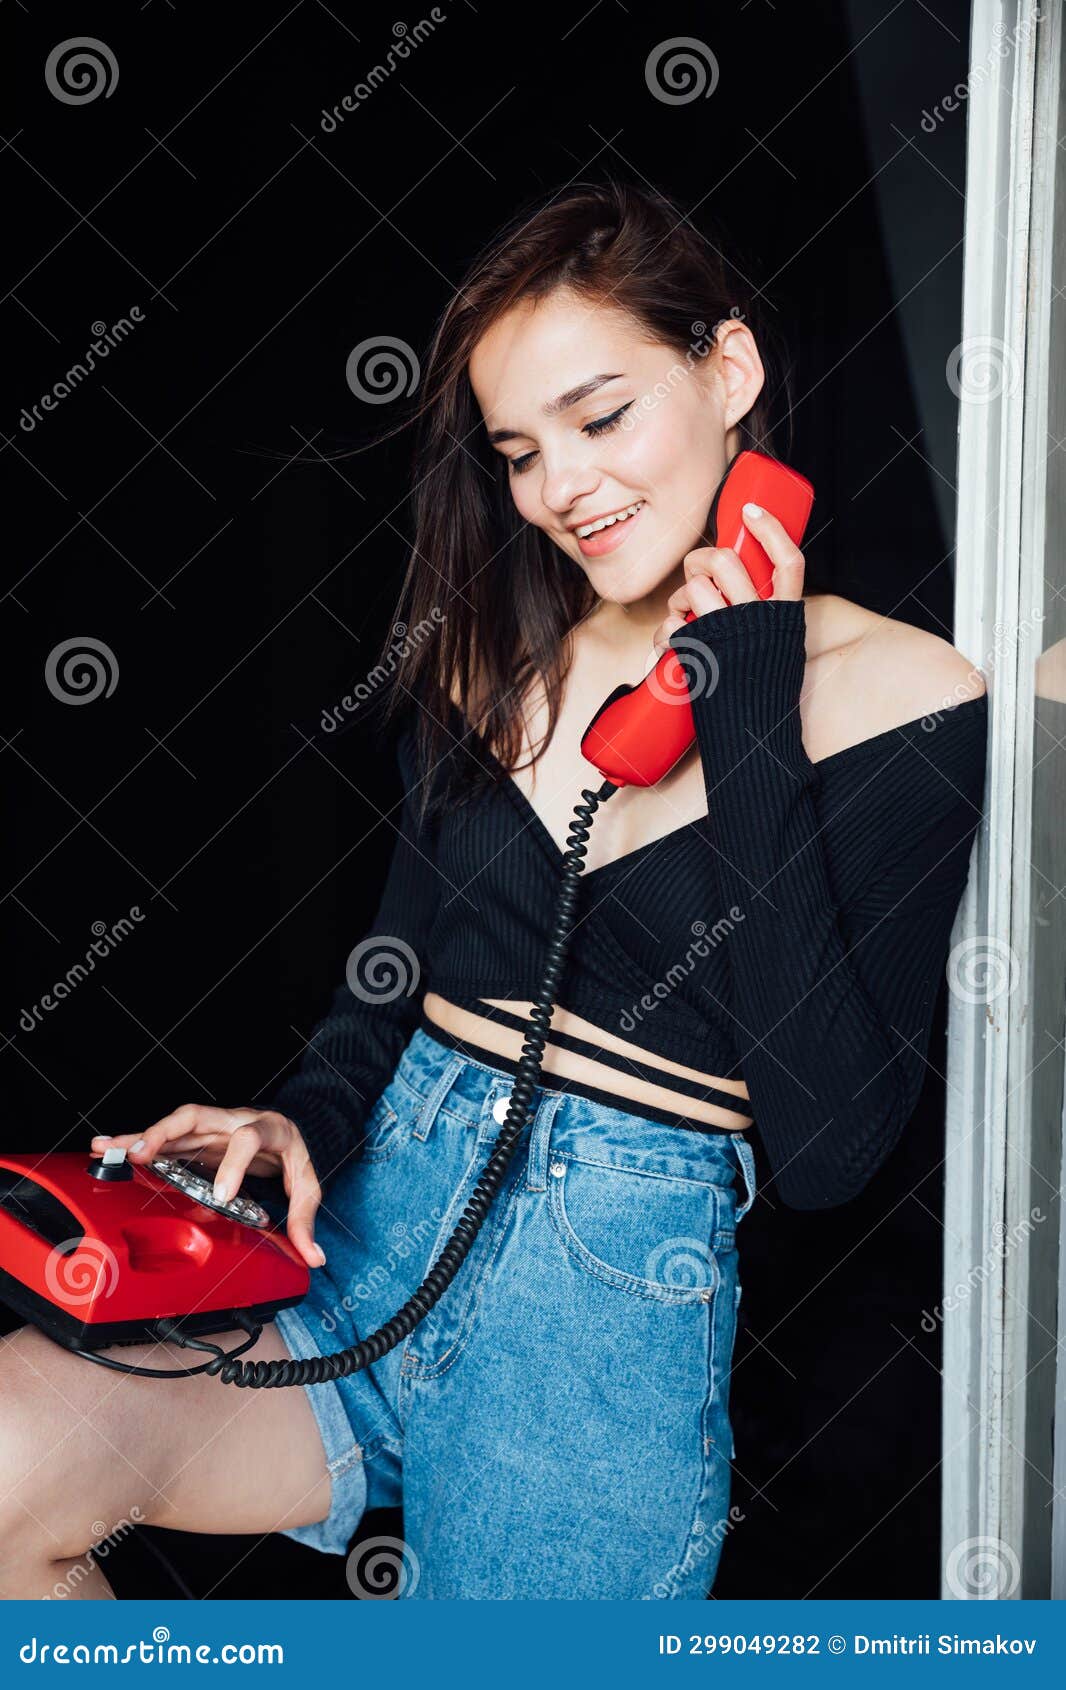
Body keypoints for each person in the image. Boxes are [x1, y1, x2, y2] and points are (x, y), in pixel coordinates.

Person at [0, 180, 988, 1601]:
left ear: (729, 370)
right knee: (17, 1448)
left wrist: (749, 696)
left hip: (591, 1317)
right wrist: (304, 1114)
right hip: (377, 1232)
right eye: (519, 451)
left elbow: (830, 1144)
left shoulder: (908, 696)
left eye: (600, 419)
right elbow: (396, 966)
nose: (559, 489)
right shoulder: (492, 656)